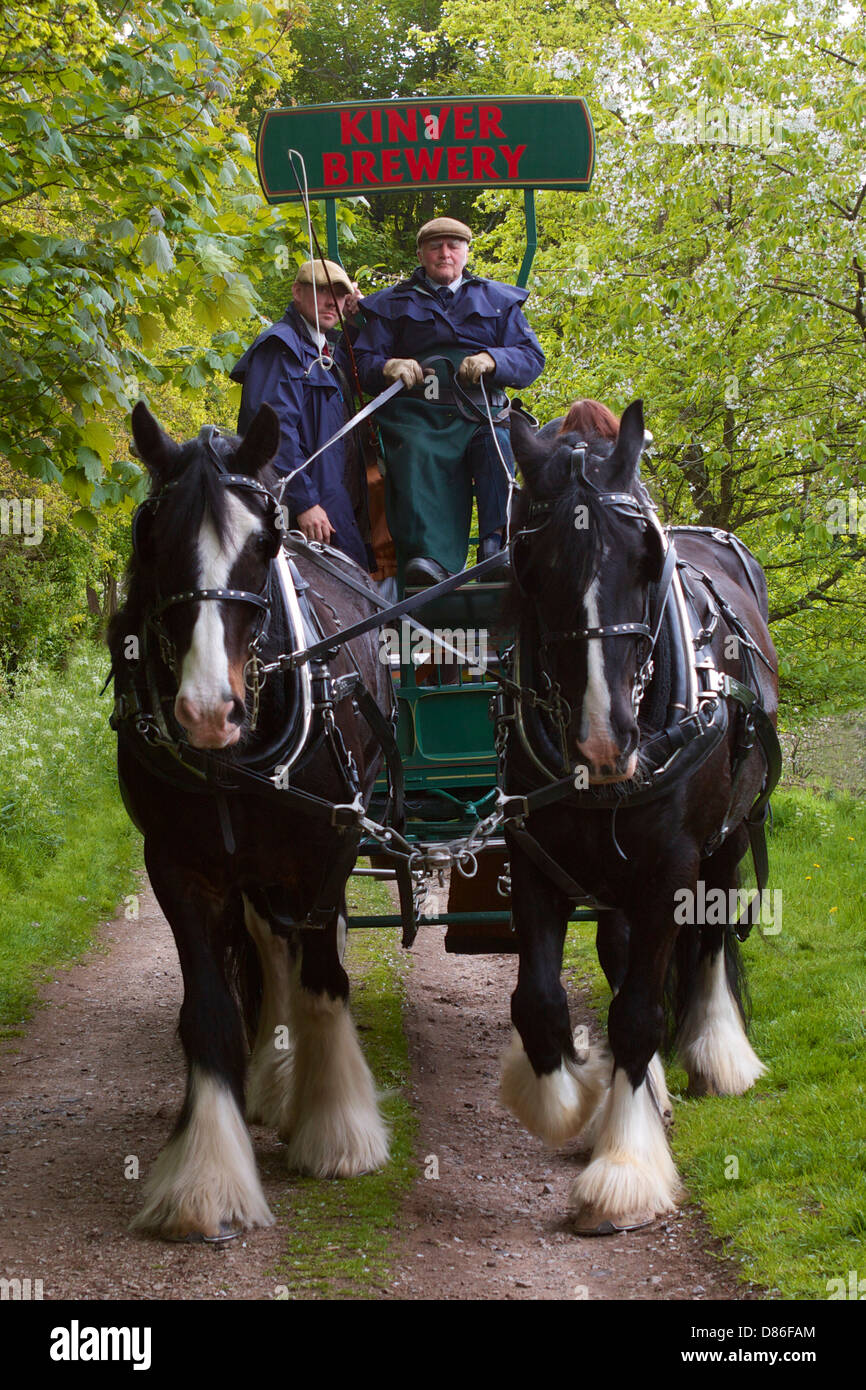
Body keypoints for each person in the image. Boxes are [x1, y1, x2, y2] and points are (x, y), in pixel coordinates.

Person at [350, 217, 545, 587]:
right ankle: (429, 560)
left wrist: (494, 359)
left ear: (466, 252)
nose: (445, 253)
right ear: (421, 254)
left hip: (479, 414)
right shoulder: (391, 305)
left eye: (453, 246)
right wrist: (389, 366)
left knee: (496, 446)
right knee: (414, 452)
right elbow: (362, 363)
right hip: (416, 416)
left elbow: (531, 357)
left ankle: (495, 548)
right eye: (436, 246)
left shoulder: (498, 300)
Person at [230, 258, 372, 573]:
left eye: (339, 294)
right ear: (297, 291)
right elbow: (272, 435)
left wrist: (360, 320)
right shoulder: (281, 346)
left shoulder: (322, 350)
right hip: (302, 518)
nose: (331, 301)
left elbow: (363, 362)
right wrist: (304, 502)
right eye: (322, 291)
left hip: (334, 507)